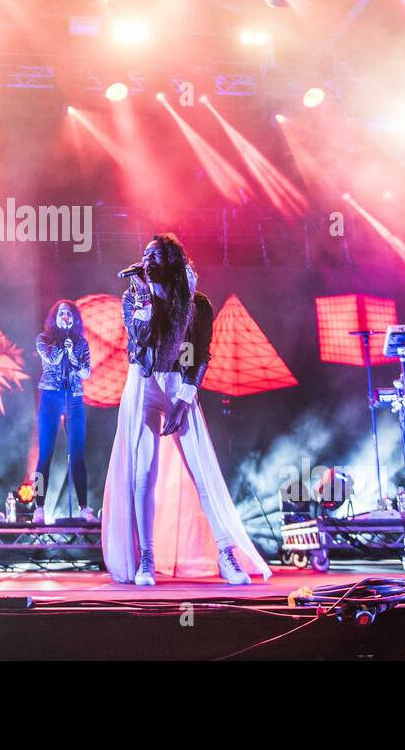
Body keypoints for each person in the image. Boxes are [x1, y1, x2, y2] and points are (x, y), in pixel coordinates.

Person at [101, 234, 272, 586]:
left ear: (173, 261)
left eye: (156, 255)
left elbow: (201, 354)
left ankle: (226, 553)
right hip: (144, 382)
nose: (147, 261)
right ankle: (146, 557)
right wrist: (145, 298)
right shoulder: (133, 298)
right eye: (144, 255)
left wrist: (184, 399)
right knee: (142, 472)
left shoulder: (198, 304)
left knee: (201, 471)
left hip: (179, 384)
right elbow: (139, 344)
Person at [32, 299, 94, 524]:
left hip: (74, 397)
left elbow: (86, 372)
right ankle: (38, 508)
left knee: (77, 455)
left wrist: (74, 353)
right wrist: (62, 342)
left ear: (75, 318)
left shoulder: (81, 342)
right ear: (55, 317)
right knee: (45, 454)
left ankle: (84, 507)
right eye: (61, 313)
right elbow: (52, 359)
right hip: (51, 397)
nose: (65, 316)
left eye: (69, 313)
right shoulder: (44, 339)